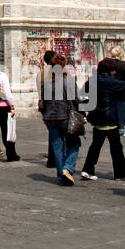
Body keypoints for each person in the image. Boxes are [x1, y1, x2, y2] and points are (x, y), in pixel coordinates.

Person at [81, 57, 125, 181]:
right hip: (110, 119)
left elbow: (85, 89)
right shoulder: (111, 81)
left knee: (95, 146)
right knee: (116, 148)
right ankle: (121, 173)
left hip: (98, 117)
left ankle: (87, 169)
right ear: (110, 70)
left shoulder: (93, 80)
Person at [39, 54, 82, 186]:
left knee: (57, 147)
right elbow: (75, 99)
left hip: (50, 118)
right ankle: (67, 168)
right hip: (64, 116)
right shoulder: (68, 80)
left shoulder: (46, 82)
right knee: (75, 143)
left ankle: (61, 176)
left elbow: (43, 102)